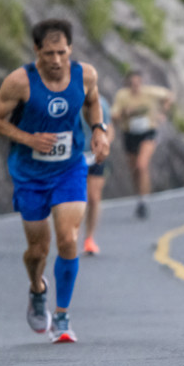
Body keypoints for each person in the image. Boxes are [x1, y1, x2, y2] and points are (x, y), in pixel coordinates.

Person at [0, 18, 108, 343]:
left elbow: (93, 102)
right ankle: (38, 289)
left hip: (69, 168)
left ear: (71, 49)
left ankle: (63, 318)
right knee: (38, 250)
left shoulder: (86, 75)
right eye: (49, 53)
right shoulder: (20, 82)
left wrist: (99, 130)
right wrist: (27, 138)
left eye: (62, 52)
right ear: (36, 49)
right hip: (29, 174)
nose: (56, 60)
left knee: (68, 239)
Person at [111, 69, 174, 219]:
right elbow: (114, 115)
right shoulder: (122, 96)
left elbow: (169, 96)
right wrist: (126, 112)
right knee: (134, 170)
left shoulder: (150, 92)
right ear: (128, 84)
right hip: (130, 133)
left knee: (142, 165)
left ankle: (144, 201)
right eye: (132, 84)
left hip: (148, 132)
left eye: (138, 83)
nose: (136, 86)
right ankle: (140, 198)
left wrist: (162, 112)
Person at [80, 94, 111, 256]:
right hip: (75, 155)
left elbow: (108, 128)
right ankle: (69, 235)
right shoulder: (70, 99)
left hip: (95, 155)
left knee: (93, 197)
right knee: (77, 198)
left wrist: (104, 147)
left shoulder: (101, 104)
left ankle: (89, 238)